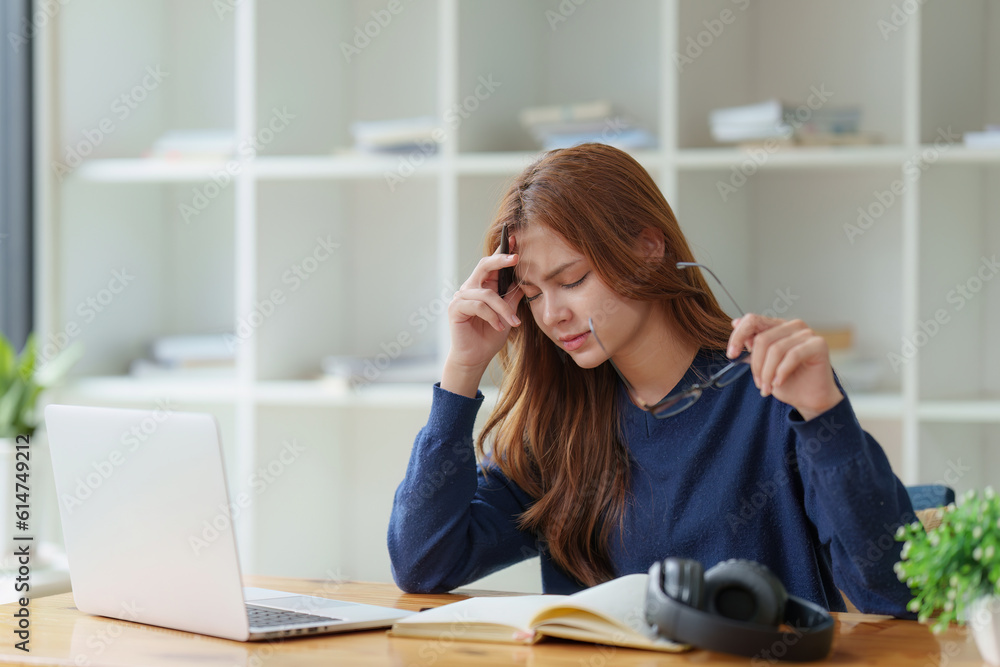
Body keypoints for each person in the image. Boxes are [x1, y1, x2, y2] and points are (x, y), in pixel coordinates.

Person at [387, 142, 915, 616]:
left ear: (648, 248)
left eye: (572, 280)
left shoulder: (774, 388)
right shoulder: (559, 425)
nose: (552, 315)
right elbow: (422, 563)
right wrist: (462, 371)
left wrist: (825, 415)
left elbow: (895, 594)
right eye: (532, 293)